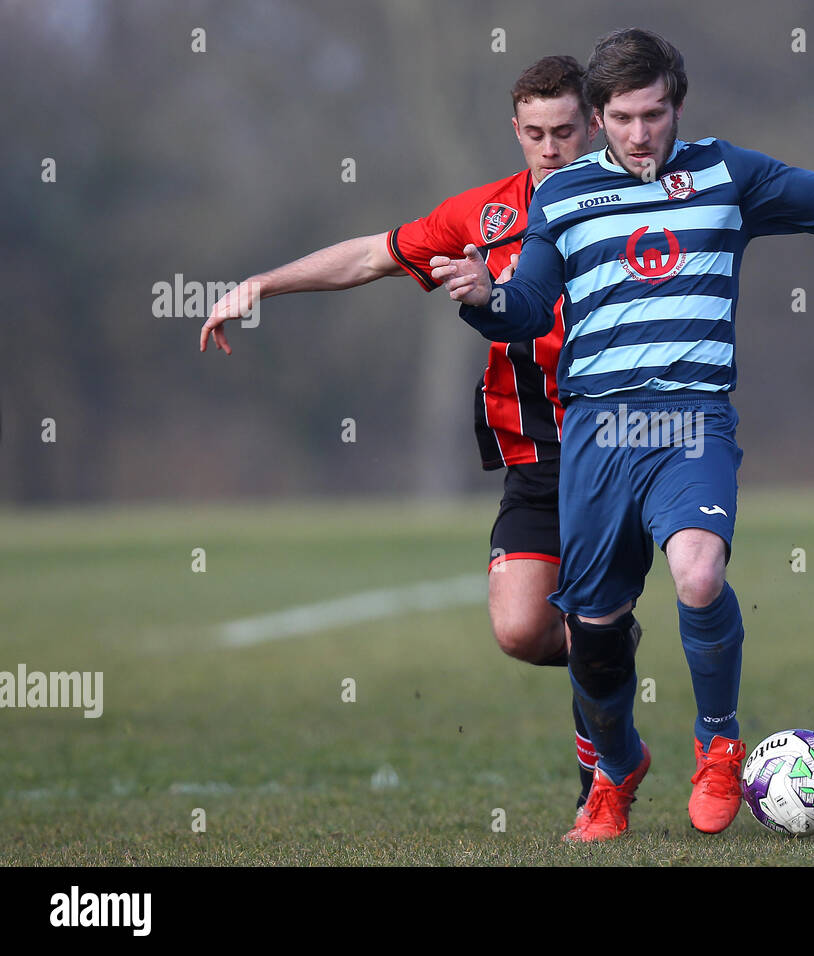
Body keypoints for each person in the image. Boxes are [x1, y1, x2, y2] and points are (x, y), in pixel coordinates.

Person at [432, 28, 814, 842]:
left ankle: (719, 746)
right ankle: (613, 776)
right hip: (598, 432)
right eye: (622, 118)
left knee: (698, 572)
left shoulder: (727, 172)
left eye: (654, 114)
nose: (641, 134)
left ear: (677, 104)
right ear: (599, 116)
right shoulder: (564, 195)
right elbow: (531, 307)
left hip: (692, 420)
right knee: (598, 632)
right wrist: (482, 296)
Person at [198, 55, 610, 813]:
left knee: (597, 610)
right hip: (535, 453)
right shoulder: (485, 214)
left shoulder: (633, 203)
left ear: (593, 124)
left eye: (565, 132)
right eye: (534, 134)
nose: (551, 148)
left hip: (618, 442)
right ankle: (609, 652)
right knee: (523, 628)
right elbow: (372, 255)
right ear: (514, 131)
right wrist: (262, 285)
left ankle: (604, 786)